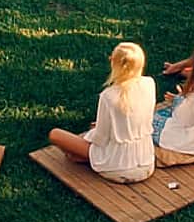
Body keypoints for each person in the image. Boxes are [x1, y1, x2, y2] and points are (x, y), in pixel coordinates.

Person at [47, 42, 156, 183]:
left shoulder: (108, 96)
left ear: (114, 63)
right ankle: (85, 158)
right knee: (90, 143)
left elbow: (100, 139)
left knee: (55, 134)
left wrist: (93, 132)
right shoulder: (149, 84)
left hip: (115, 167)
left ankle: (85, 158)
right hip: (146, 163)